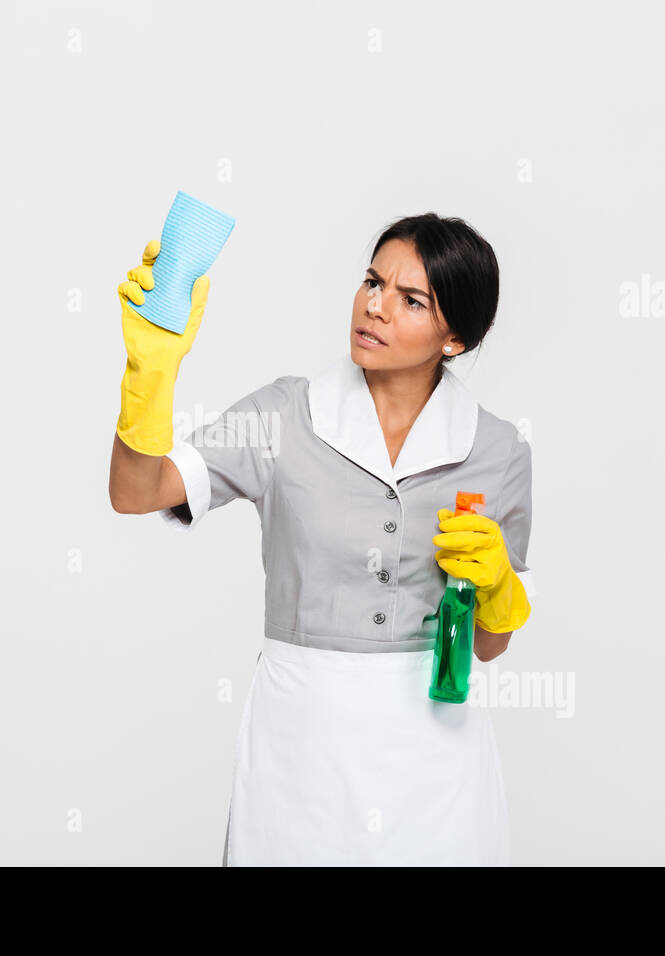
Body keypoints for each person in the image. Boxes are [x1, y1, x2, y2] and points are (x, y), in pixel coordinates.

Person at [108, 213, 534, 866]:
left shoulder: (496, 449)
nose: (375, 306)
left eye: (410, 299)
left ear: (454, 338)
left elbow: (489, 645)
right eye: (372, 281)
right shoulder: (283, 417)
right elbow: (136, 493)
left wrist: (500, 588)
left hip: (436, 761)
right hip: (300, 750)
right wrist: (150, 372)